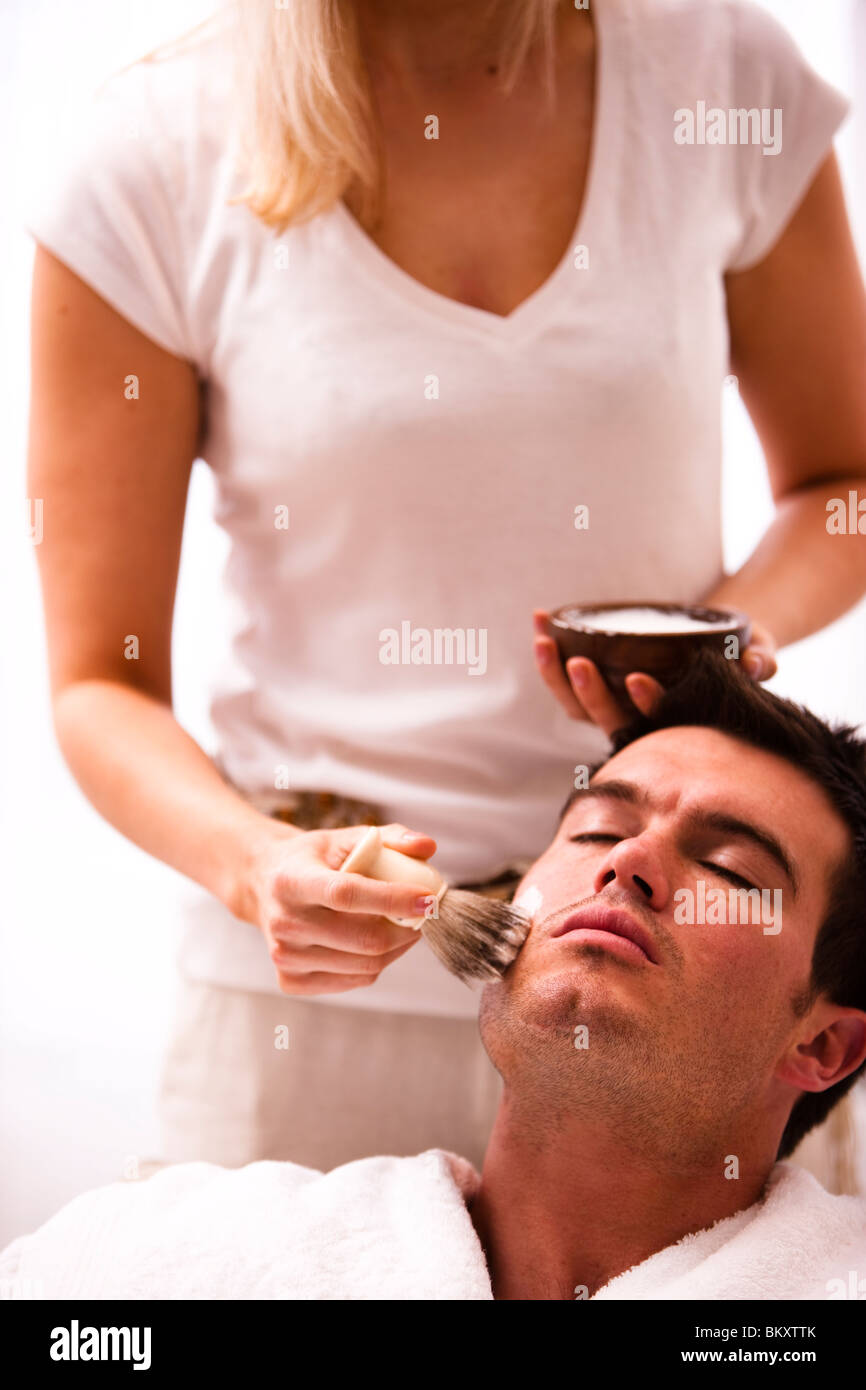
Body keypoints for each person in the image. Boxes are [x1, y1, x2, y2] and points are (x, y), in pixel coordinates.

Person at [24, 0, 866, 1172]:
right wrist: (254, 865)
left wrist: (723, 638)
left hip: (681, 1008)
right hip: (318, 1018)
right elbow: (98, 684)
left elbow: (841, 484)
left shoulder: (718, 71)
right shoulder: (149, 154)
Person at [4, 653, 866, 1299]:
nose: (627, 862)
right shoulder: (162, 1256)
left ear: (824, 1043)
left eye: (730, 869)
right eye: (596, 831)